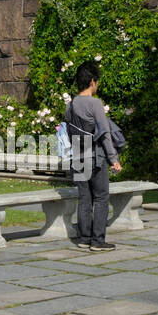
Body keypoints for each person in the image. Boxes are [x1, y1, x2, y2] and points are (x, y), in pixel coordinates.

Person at [65, 60, 121, 252]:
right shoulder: (95, 104)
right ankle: (98, 241)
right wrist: (114, 159)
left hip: (78, 155)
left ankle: (84, 238)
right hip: (95, 156)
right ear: (92, 82)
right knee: (101, 197)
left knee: (84, 198)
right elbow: (105, 134)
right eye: (97, 81)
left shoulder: (70, 105)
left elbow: (69, 134)